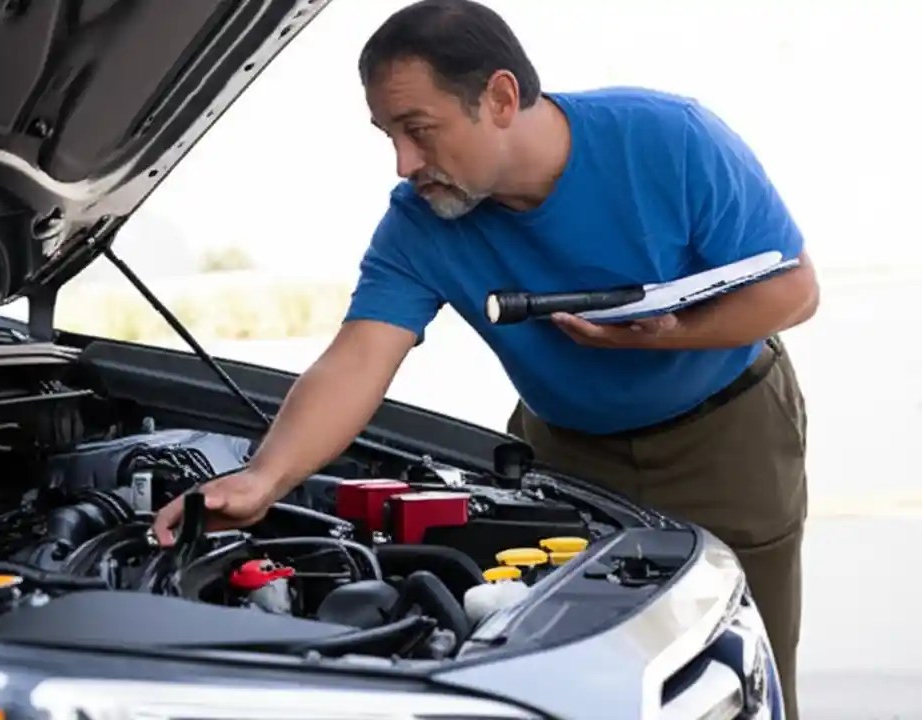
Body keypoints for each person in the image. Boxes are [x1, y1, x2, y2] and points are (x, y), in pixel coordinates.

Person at [152, 0, 817, 714]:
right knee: (573, 688)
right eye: (389, 136)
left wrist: (669, 332)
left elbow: (793, 290)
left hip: (725, 439)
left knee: (736, 672)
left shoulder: (669, 140)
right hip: (568, 457)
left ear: (499, 97)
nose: (405, 163)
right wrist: (262, 479)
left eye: (418, 130)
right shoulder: (419, 223)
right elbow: (356, 360)